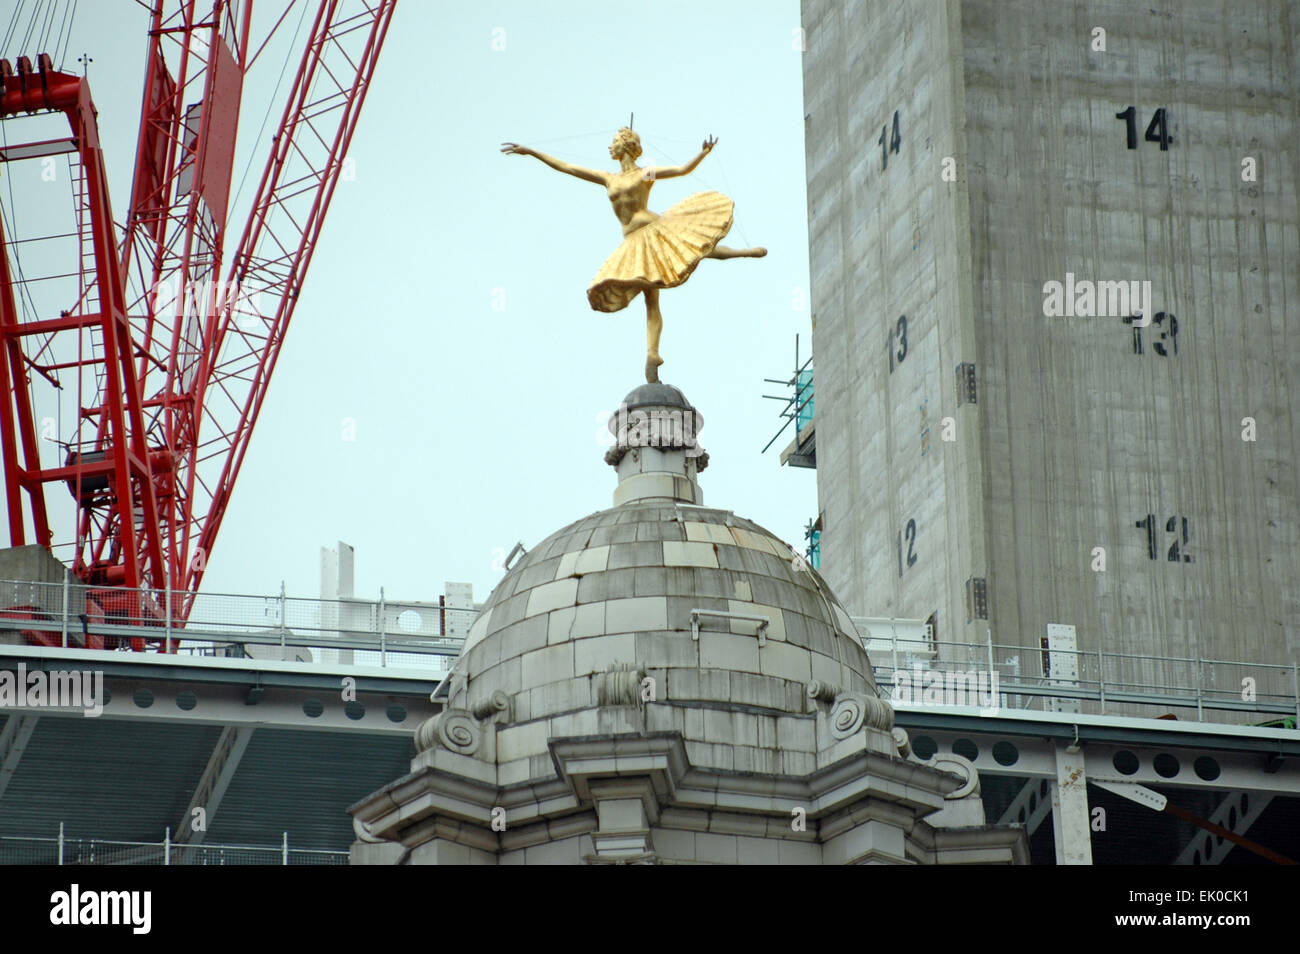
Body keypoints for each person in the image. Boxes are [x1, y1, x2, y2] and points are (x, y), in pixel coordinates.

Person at [501, 127, 766, 382]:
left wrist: (702, 153)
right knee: (652, 297)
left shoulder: (646, 174)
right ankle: (652, 353)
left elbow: (681, 170)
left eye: (614, 141)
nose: (609, 145)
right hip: (632, 241)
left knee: (697, 247)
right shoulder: (608, 178)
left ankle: (745, 252)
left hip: (652, 229)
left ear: (626, 145)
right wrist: (532, 152)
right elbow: (568, 168)